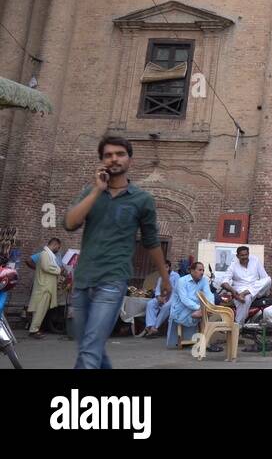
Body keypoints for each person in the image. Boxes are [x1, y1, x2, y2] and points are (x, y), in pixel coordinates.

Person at [64, 136, 171, 369]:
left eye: (120, 154)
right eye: (108, 155)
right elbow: (70, 224)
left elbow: (151, 242)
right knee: (89, 346)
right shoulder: (90, 193)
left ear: (130, 159)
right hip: (83, 279)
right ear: (102, 160)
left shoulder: (142, 200)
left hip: (113, 279)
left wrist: (164, 277)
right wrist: (96, 190)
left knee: (90, 349)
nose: (114, 159)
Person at [218, 246, 271, 325]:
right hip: (241, 289)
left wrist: (265, 288)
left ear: (248, 254)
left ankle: (245, 293)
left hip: (256, 289)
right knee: (245, 299)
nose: (245, 257)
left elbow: (264, 277)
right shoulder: (233, 265)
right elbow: (224, 281)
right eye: (242, 255)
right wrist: (233, 291)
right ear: (237, 256)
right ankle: (238, 325)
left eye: (246, 255)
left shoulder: (255, 260)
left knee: (268, 279)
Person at [27, 238, 63, 339]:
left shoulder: (47, 255)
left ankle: (34, 328)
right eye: (58, 247)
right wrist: (59, 270)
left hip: (45, 286)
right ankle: (34, 330)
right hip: (44, 287)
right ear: (55, 245)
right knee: (40, 310)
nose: (58, 250)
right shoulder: (45, 254)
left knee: (39, 310)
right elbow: (47, 267)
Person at [169, 261, 213, 329]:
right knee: (202, 313)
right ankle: (199, 315)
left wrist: (210, 306)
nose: (202, 273)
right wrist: (200, 308)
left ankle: (200, 315)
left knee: (207, 311)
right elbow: (184, 299)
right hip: (180, 311)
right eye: (200, 270)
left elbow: (208, 294)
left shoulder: (204, 280)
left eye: (203, 270)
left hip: (196, 310)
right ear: (192, 271)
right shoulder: (182, 281)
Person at [142, 260, 180, 337]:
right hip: (163, 297)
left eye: (166, 267)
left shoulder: (175, 276)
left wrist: (167, 300)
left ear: (169, 267)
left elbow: (177, 290)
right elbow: (157, 290)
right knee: (150, 303)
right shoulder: (161, 277)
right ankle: (150, 325)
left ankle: (155, 327)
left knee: (166, 306)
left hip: (173, 298)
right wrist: (159, 297)